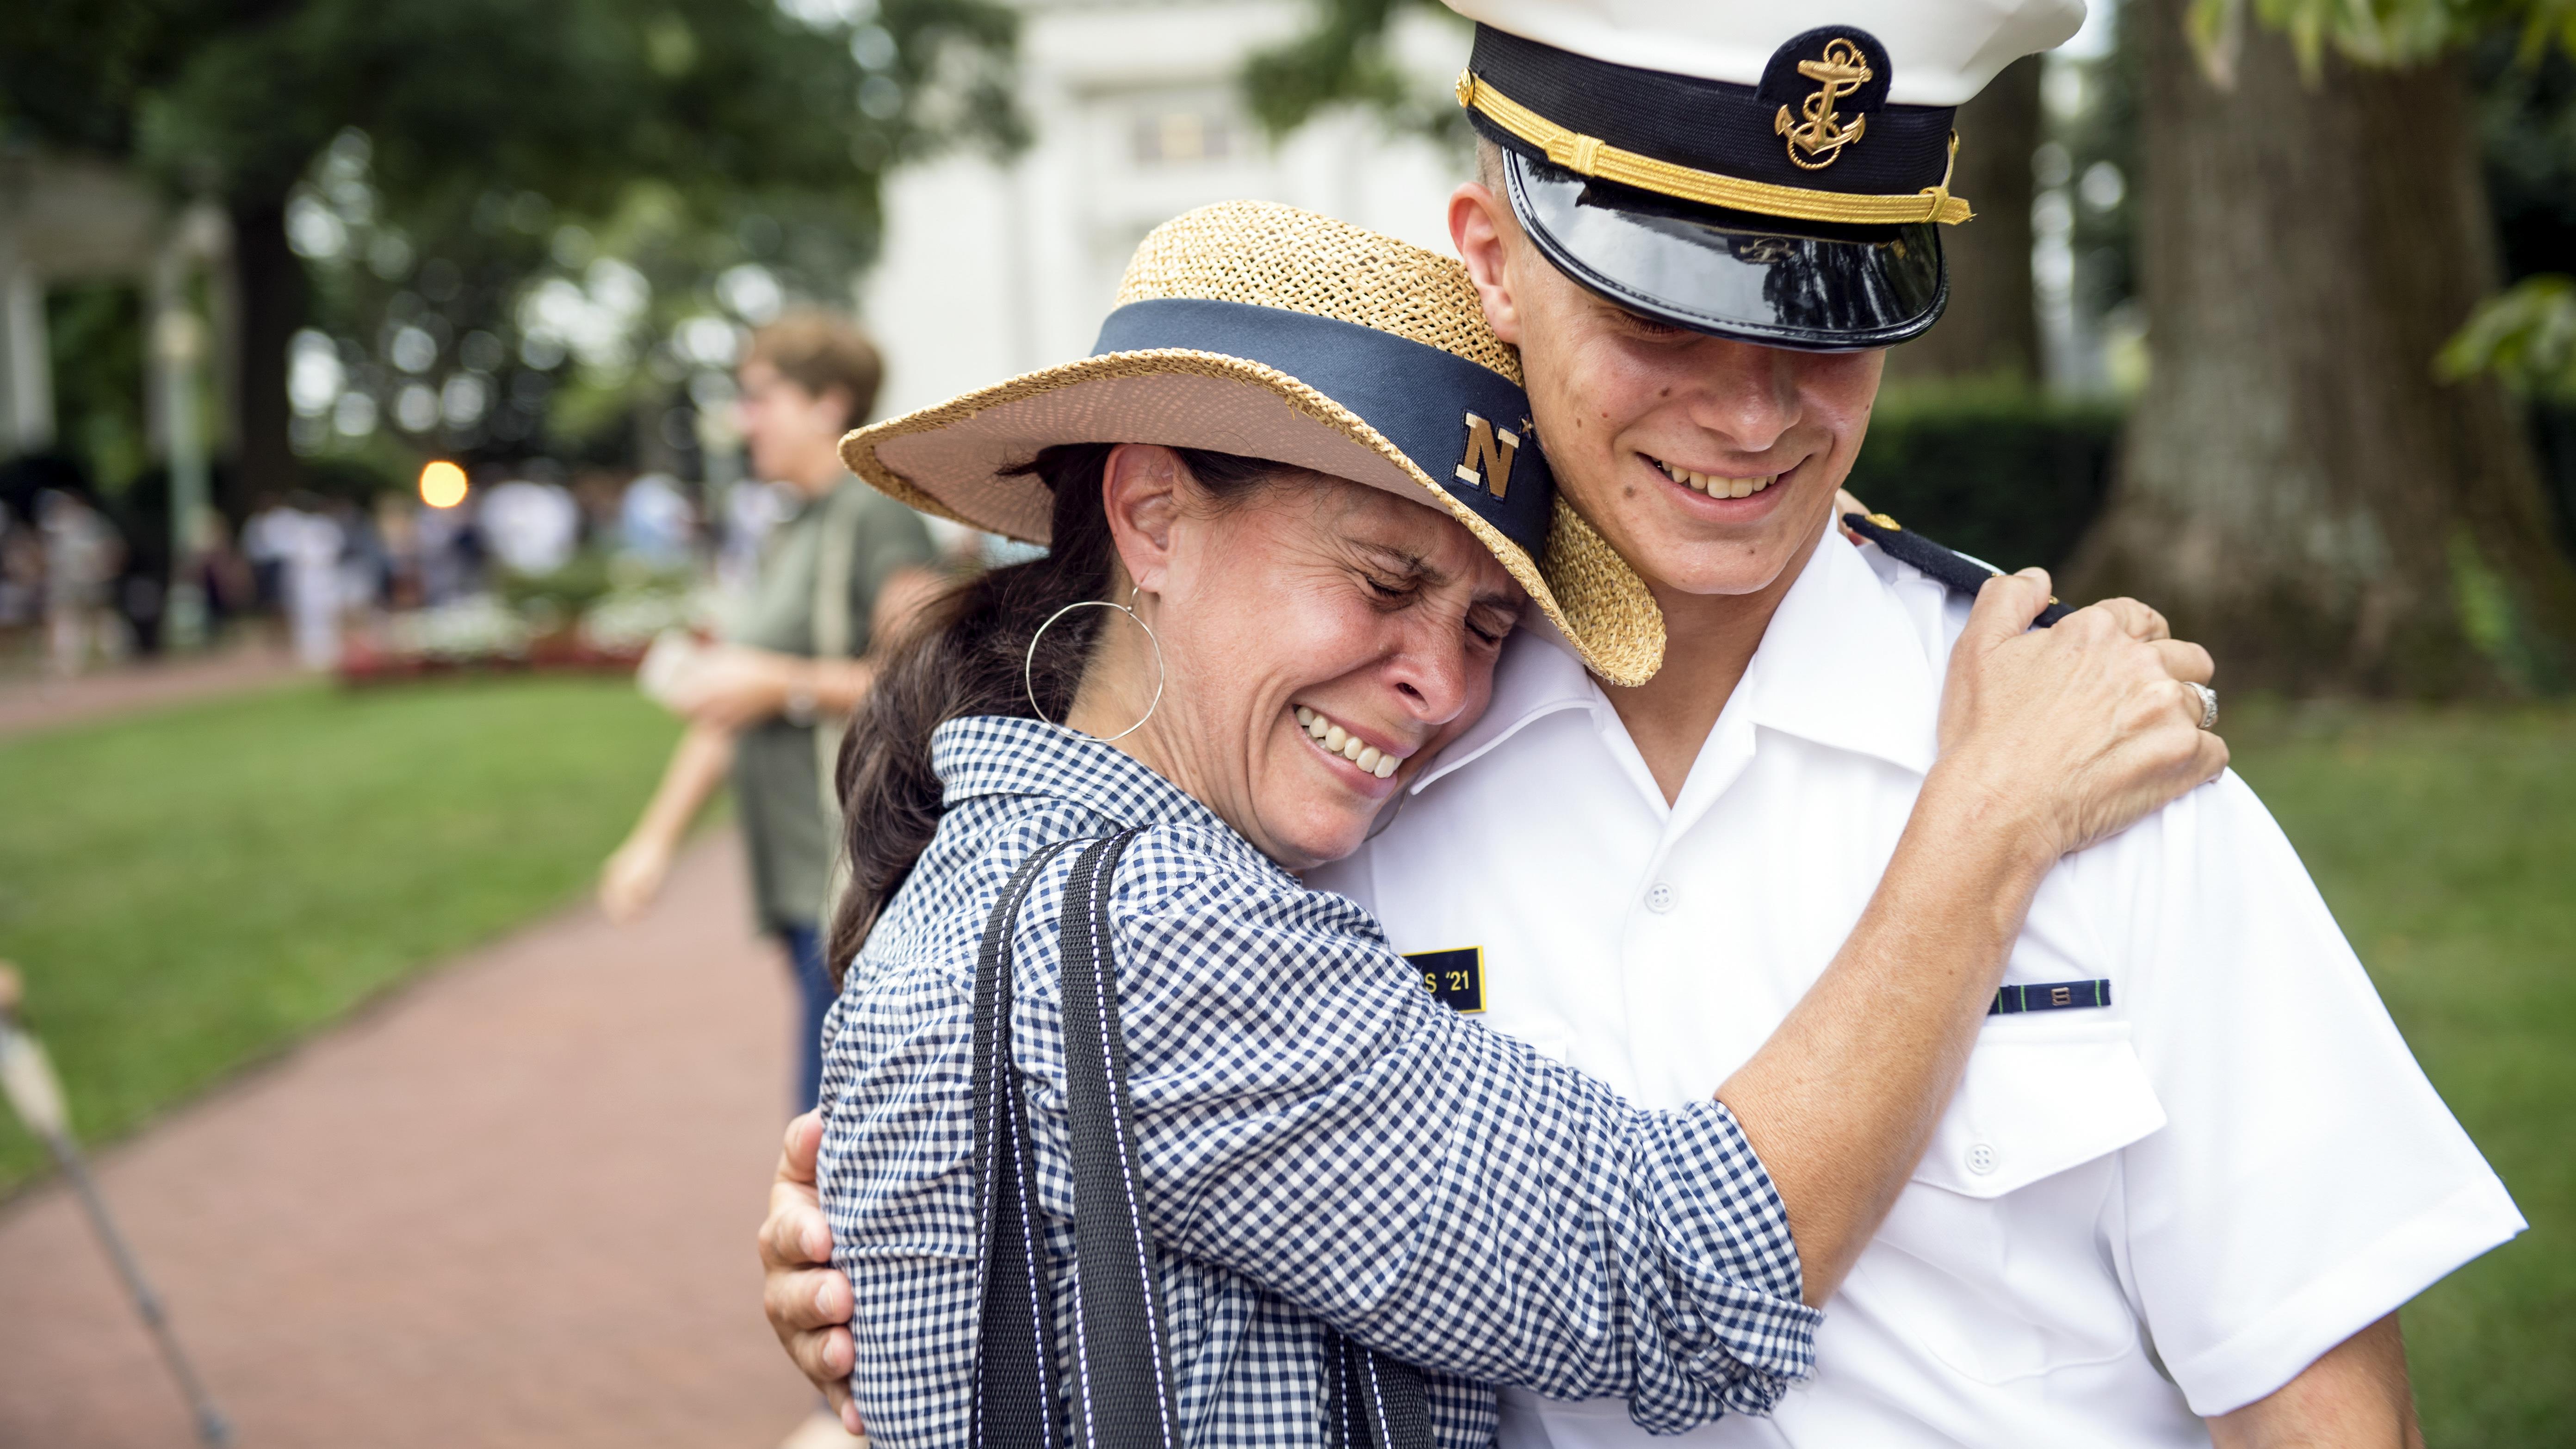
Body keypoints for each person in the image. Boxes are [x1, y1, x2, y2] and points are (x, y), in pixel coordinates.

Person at [762, 7, 2525, 1447]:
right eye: (1661, 307)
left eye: (1826, 324)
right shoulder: (1338, 799)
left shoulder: (2087, 740)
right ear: (1491, 262)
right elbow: (1657, 1270)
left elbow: (2311, 1389)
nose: (1748, 408)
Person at [598, 310, 940, 1118]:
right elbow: (735, 704)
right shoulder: (793, 529)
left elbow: (923, 678)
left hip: (856, 878)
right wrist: (651, 844)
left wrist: (779, 682)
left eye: (760, 397)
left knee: (835, 1135)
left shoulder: (876, 513)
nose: (743, 419)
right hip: (802, 879)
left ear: (830, 404)